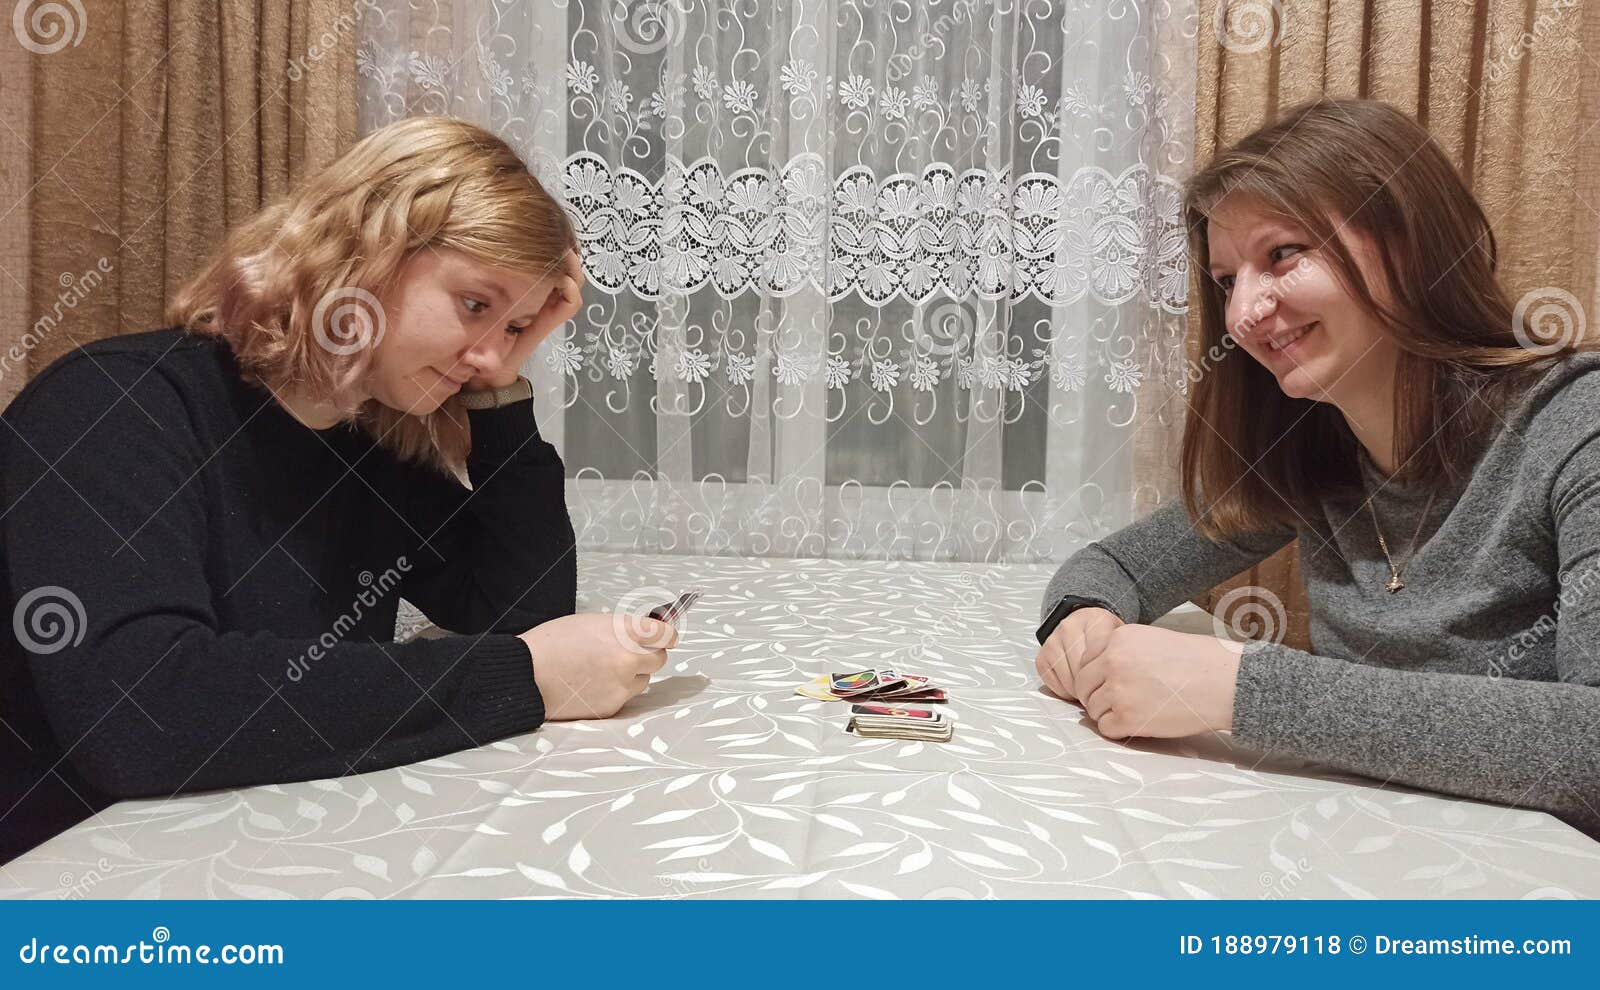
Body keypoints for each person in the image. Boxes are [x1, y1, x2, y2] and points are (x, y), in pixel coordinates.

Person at [0, 116, 676, 864]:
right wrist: (520, 679)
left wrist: (502, 391)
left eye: (516, 326)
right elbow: (143, 716)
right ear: (370, 253)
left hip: (266, 847)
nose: (488, 352)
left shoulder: (367, 441)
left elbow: (518, 611)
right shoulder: (111, 408)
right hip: (71, 878)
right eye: (476, 305)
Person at [1035, 97, 1600, 838]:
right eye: (1227, 279)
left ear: (1409, 244)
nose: (1243, 315)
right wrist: (1082, 620)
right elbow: (1119, 565)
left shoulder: (1575, 427)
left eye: (1282, 255)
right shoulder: (1310, 450)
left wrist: (1240, 689)